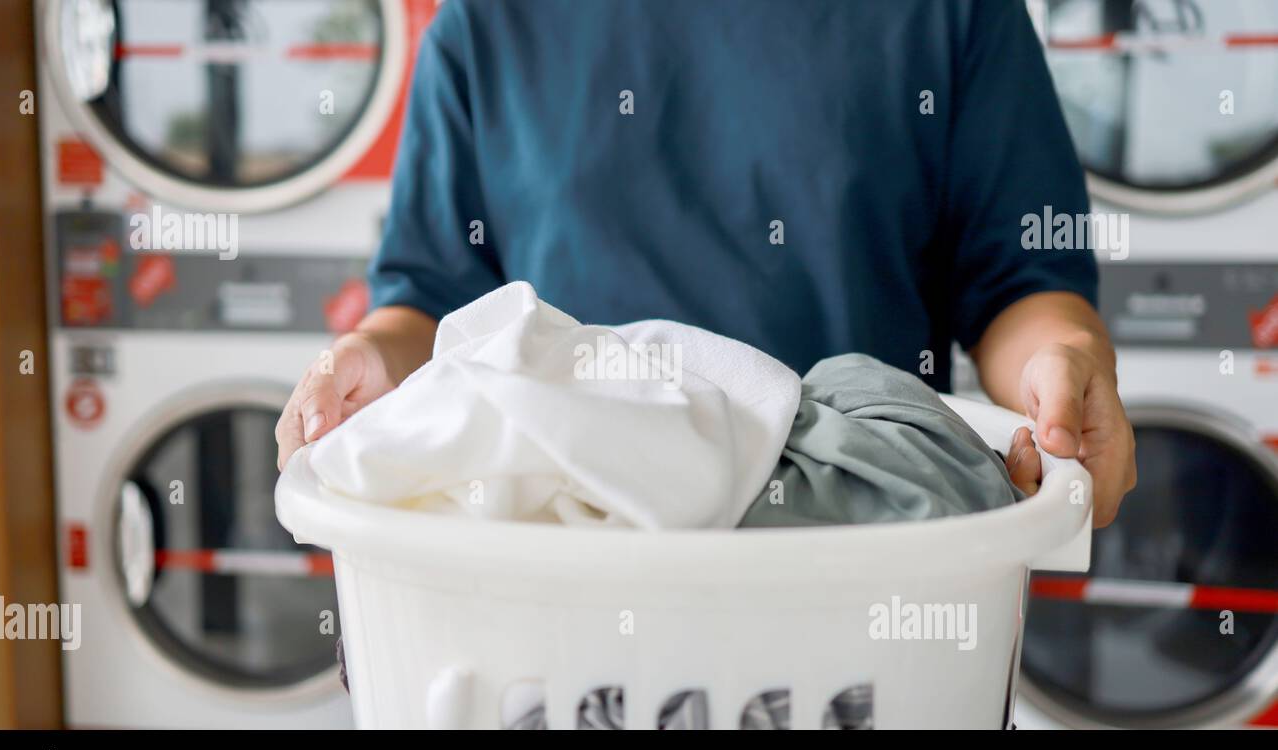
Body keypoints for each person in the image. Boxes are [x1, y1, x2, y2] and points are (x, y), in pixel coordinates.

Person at [276, 0, 1136, 526]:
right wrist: (365, 368)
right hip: (549, 562)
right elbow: (428, 303)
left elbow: (1021, 286)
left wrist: (1065, 370)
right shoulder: (491, 20)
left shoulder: (950, 11)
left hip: (859, 548)